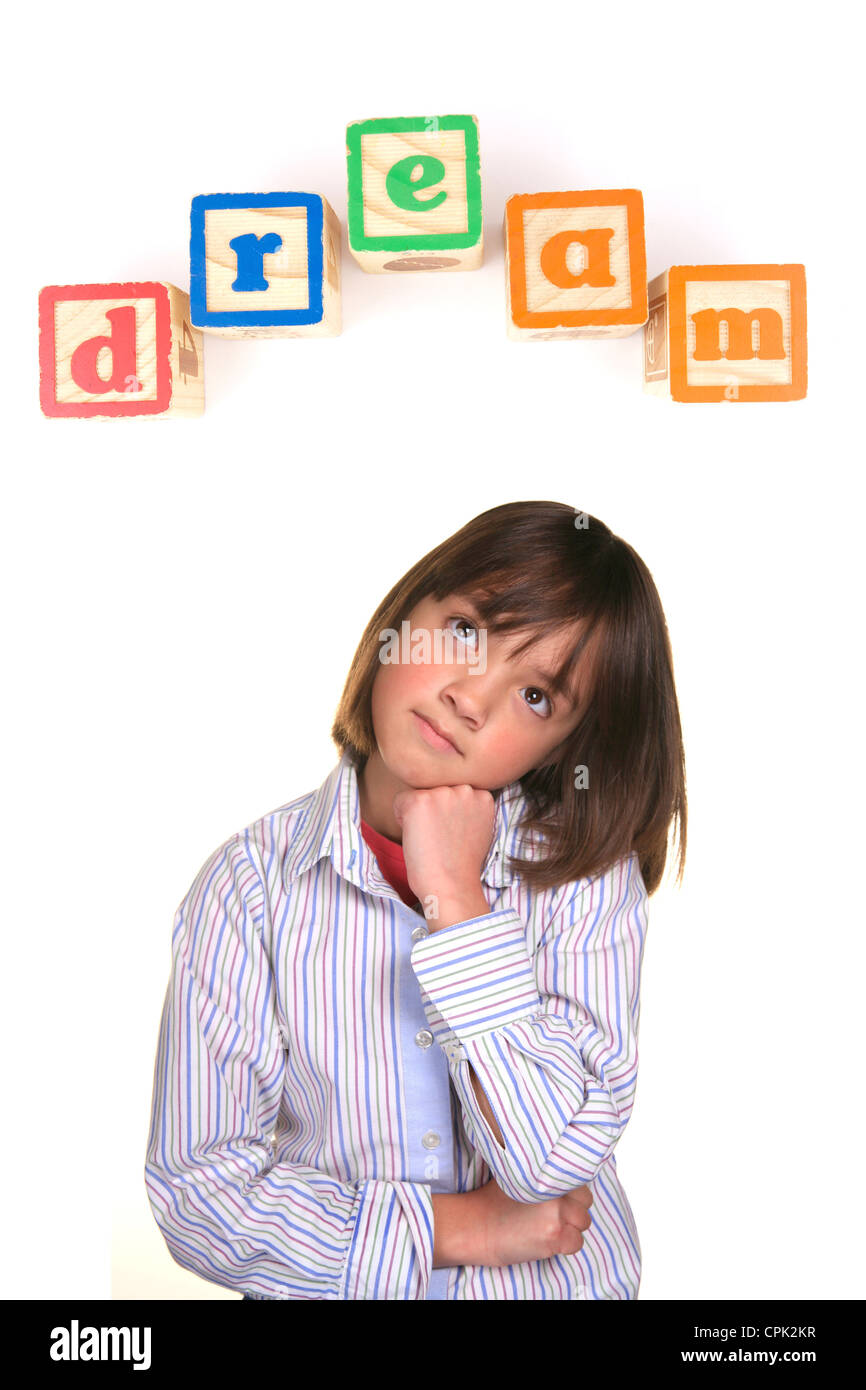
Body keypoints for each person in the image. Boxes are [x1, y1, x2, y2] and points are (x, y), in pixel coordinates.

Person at [145, 500, 686, 1300]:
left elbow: (552, 1160)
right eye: (466, 632)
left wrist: (457, 902)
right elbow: (200, 1197)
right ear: (404, 618)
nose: (472, 697)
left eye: (536, 696)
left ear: (564, 748)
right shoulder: (248, 890)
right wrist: (457, 1227)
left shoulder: (583, 882)